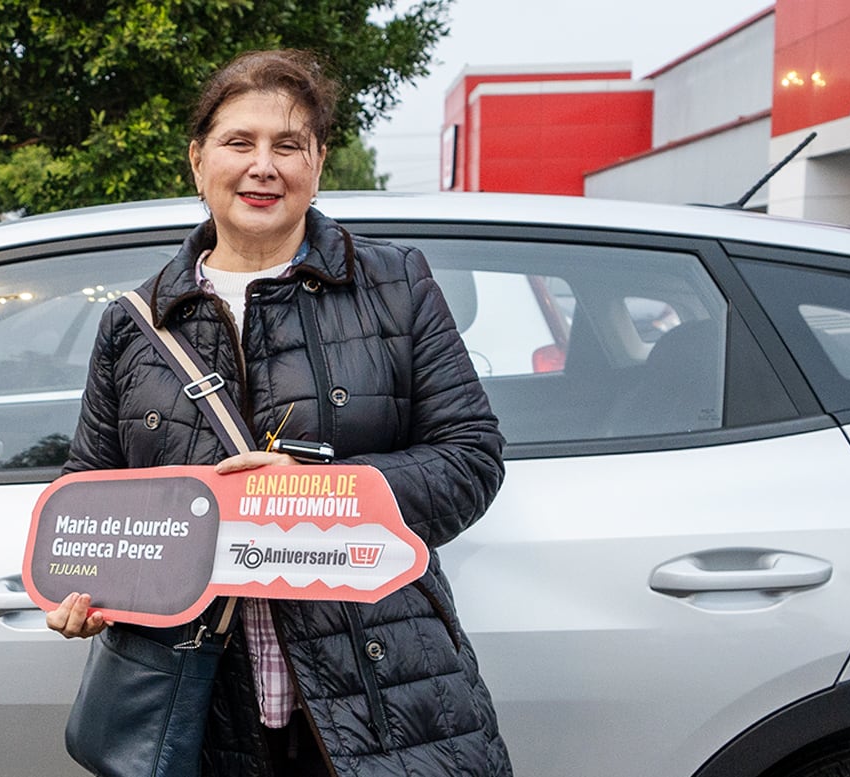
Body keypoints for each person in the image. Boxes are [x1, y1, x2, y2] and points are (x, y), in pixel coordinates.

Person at [47, 48, 511, 777]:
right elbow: (92, 489)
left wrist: (321, 489)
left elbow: (471, 459)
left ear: (318, 163)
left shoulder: (396, 285)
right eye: (239, 143)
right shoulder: (136, 323)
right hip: (202, 710)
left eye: (288, 145)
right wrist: (86, 585)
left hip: (382, 696)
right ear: (198, 161)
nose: (263, 166)